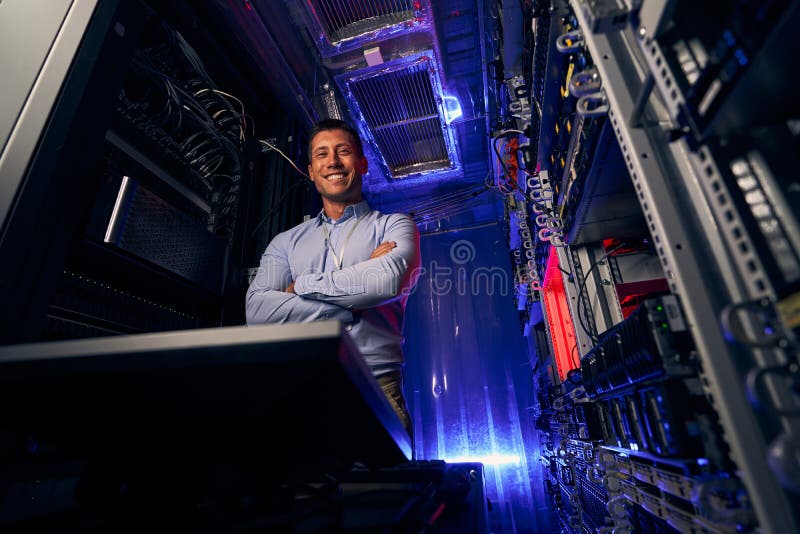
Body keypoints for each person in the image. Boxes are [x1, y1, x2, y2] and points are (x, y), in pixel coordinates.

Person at [246, 118, 421, 437]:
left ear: (363, 164)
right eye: (322, 154)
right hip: (301, 387)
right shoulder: (285, 242)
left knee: (383, 472)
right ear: (311, 171)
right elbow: (258, 313)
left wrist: (301, 286)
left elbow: (387, 280)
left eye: (343, 151)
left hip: (376, 388)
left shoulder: (395, 226)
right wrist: (352, 304)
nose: (333, 162)